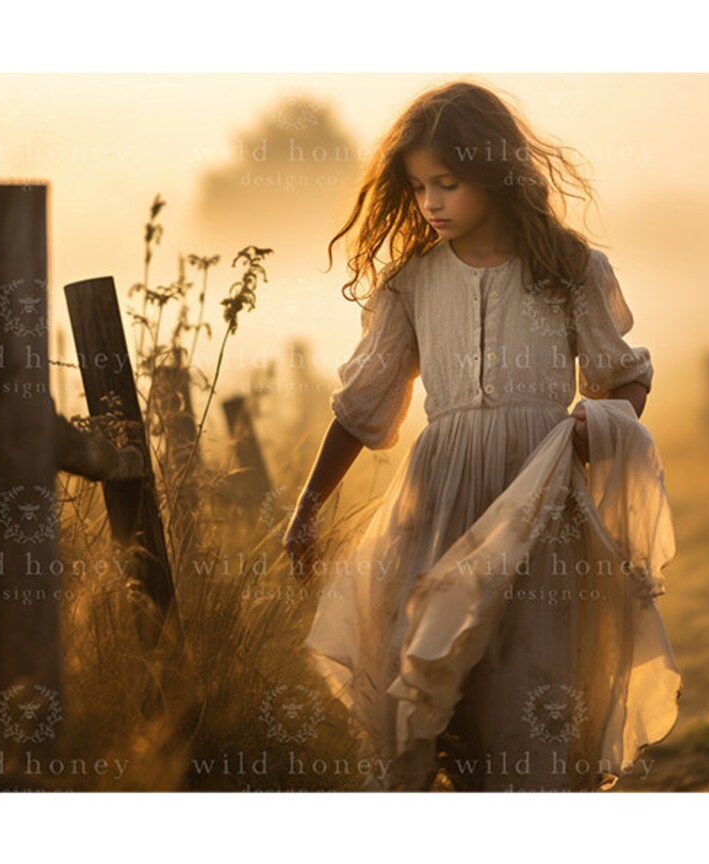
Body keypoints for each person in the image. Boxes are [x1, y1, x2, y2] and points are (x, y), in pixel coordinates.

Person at [282, 80, 671, 791]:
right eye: (419, 186)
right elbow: (361, 407)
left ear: (495, 172)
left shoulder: (567, 270)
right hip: (437, 512)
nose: (430, 202)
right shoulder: (413, 285)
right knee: (427, 671)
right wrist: (307, 507)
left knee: (530, 674)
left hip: (540, 510)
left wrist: (602, 422)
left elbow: (624, 376)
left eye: (448, 184)